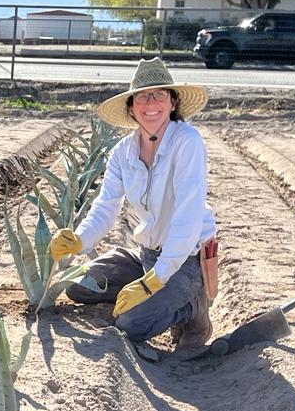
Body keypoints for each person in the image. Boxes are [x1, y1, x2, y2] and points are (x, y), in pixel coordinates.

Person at [49, 58, 217, 355]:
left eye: (159, 95)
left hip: (185, 261)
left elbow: (188, 218)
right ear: (131, 107)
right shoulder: (123, 153)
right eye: (142, 96)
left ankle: (192, 307)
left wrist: (157, 278)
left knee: (131, 325)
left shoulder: (187, 142)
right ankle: (155, 294)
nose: (150, 103)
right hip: (146, 255)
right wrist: (79, 239)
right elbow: (105, 206)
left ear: (173, 102)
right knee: (77, 286)